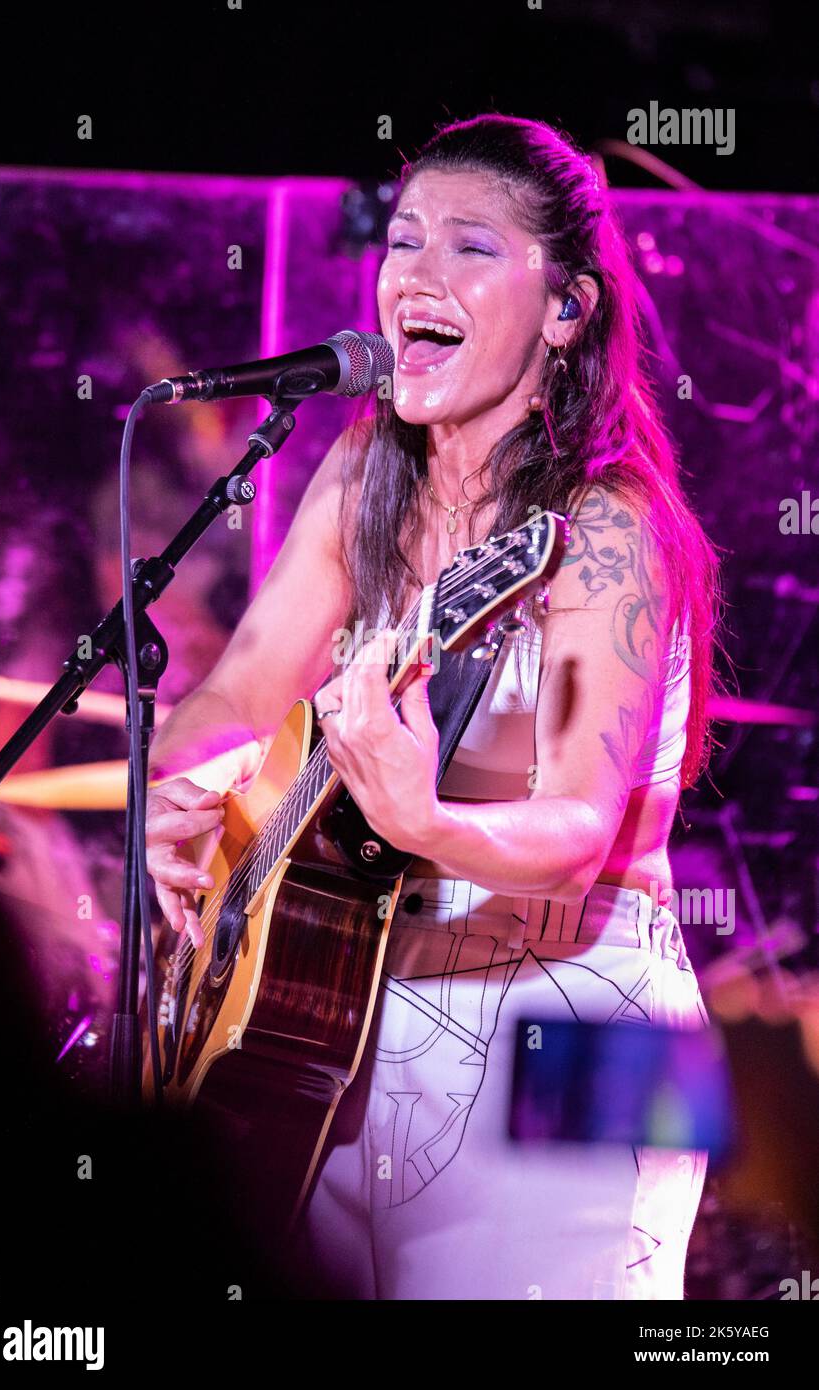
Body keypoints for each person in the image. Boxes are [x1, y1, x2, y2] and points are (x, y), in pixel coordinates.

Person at [145, 115, 721, 1300]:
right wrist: (174, 794)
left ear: (566, 309)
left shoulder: (606, 528)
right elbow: (241, 690)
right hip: (354, 1011)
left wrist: (422, 819)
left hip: (586, 1023)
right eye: (402, 239)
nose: (412, 272)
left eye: (469, 247)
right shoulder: (362, 471)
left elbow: (569, 834)